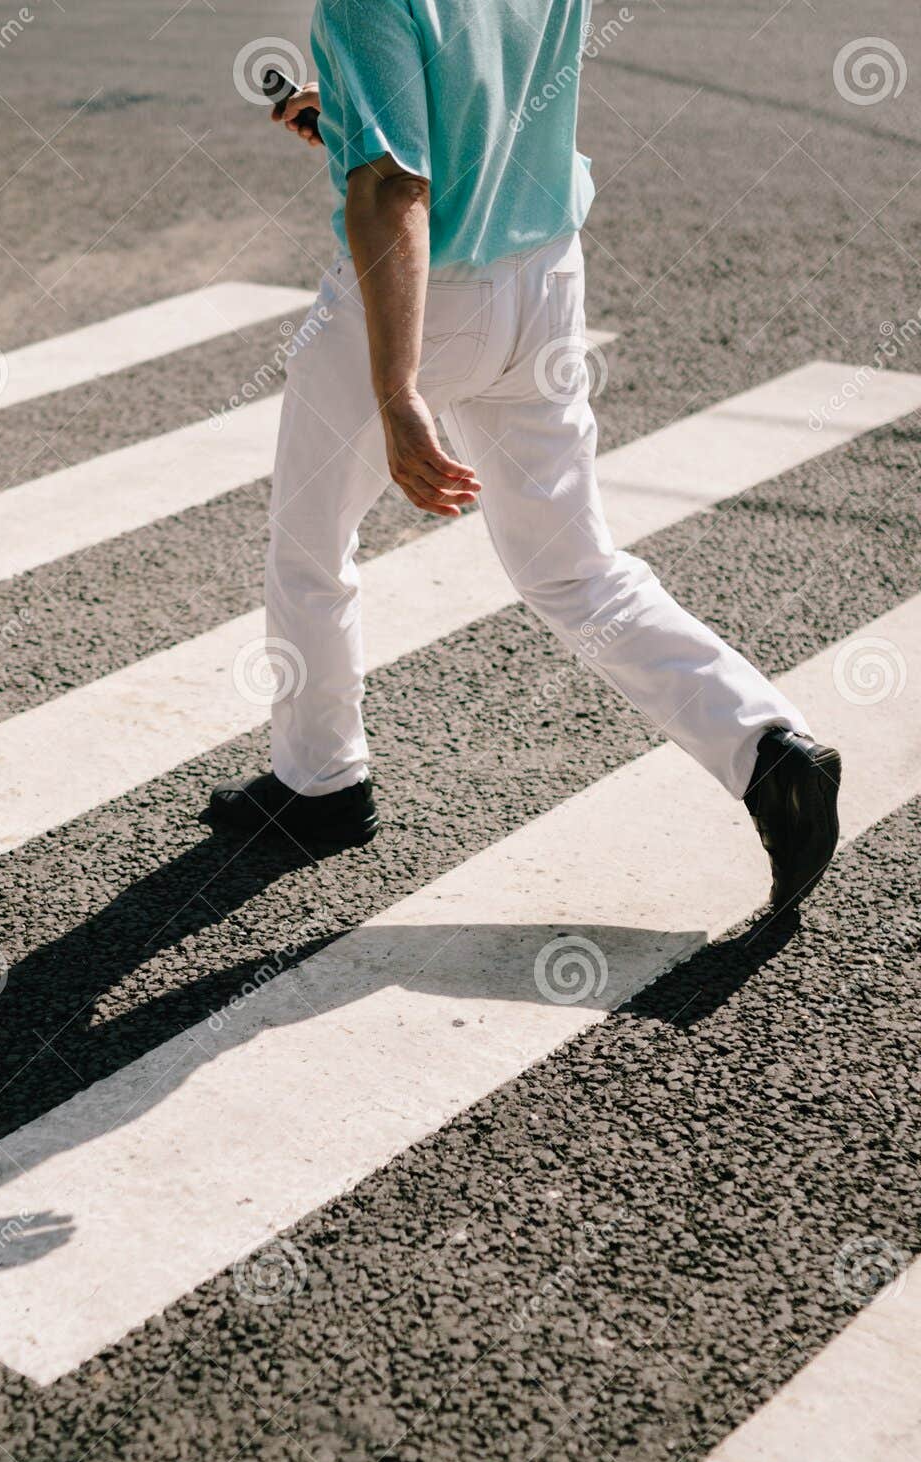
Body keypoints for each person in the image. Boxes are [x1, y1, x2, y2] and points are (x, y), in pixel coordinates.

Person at [206, 0, 841, 918]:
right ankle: (768, 750)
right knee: (575, 567)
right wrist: (347, 108)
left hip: (423, 292)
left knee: (311, 544)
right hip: (544, 276)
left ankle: (320, 783)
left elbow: (392, 189)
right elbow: (484, 99)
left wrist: (398, 394)